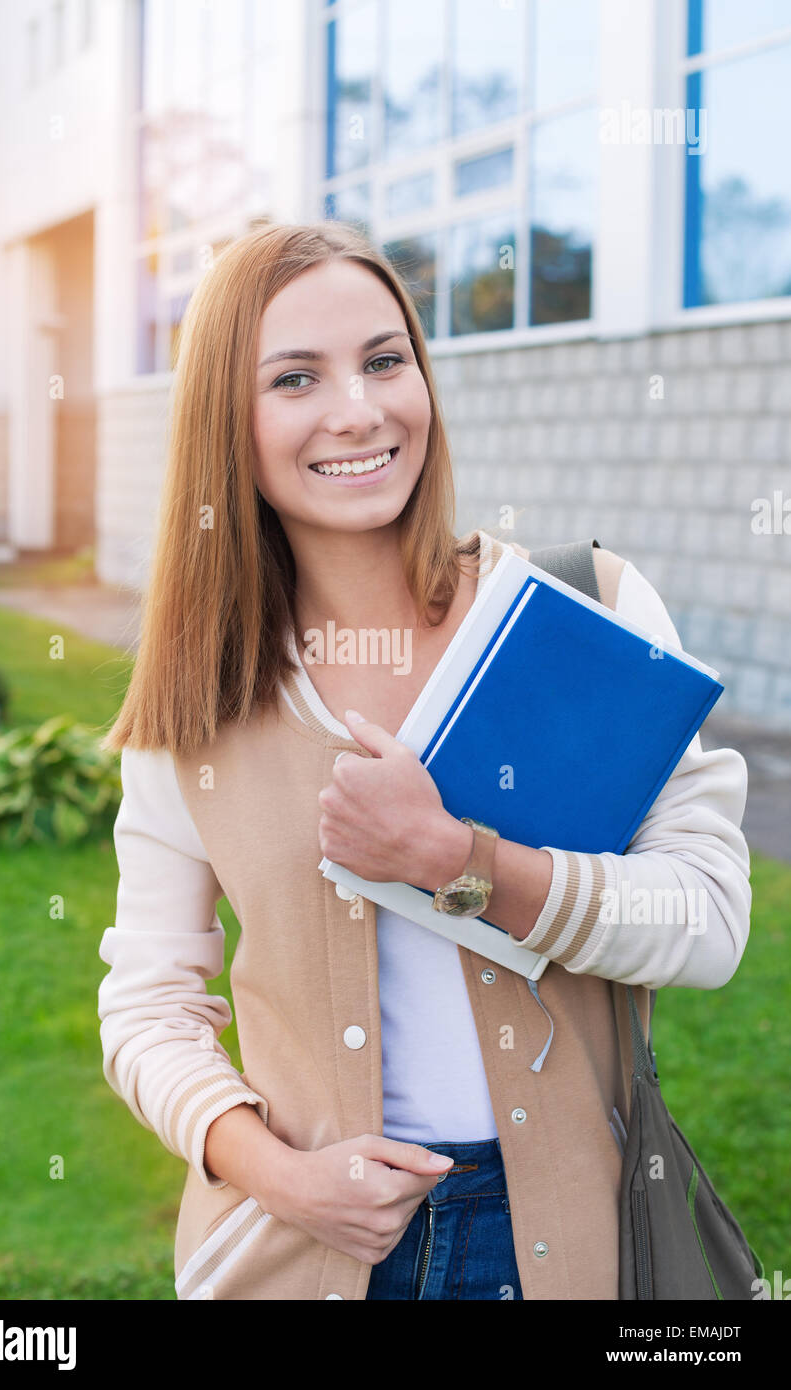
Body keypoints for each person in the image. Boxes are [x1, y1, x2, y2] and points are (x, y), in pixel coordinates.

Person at [97, 221, 751, 1301]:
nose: (358, 409)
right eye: (295, 378)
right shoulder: (195, 697)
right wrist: (283, 1176)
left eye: (384, 359)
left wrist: (459, 859)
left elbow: (707, 921)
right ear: (227, 421)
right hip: (303, 1246)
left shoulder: (581, 612)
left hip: (572, 1242)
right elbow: (147, 1002)